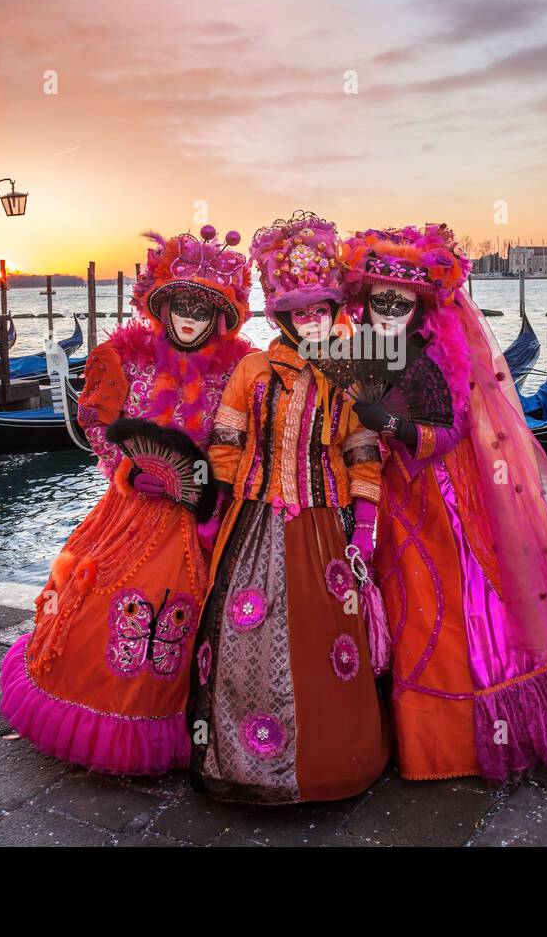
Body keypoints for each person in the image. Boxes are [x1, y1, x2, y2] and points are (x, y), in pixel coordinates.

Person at [341, 224, 547, 782]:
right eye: (377, 301)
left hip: (441, 495)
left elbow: (448, 432)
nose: (387, 311)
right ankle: (401, 733)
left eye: (399, 302)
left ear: (419, 305)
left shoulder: (434, 357)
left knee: (450, 605)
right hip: (386, 491)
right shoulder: (361, 352)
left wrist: (386, 423)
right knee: (403, 603)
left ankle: (454, 742)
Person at [0, 226, 254, 775]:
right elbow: (98, 424)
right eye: (180, 305)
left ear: (221, 317)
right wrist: (130, 471)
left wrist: (206, 481)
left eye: (201, 309)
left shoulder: (238, 370)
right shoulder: (122, 358)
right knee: (109, 600)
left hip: (201, 513)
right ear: (161, 307)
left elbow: (241, 440)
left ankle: (183, 720)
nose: (189, 318)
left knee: (188, 613)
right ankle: (103, 715)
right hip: (131, 509)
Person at [188, 211, 391, 804]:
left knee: (328, 647)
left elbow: (361, 450)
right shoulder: (251, 368)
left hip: (325, 525)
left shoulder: (350, 372)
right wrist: (214, 506)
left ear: (333, 312)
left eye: (320, 311)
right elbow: (225, 441)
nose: (312, 321)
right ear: (282, 317)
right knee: (244, 637)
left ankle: (333, 761)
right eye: (299, 313)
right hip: (253, 519)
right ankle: (244, 763)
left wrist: (366, 525)